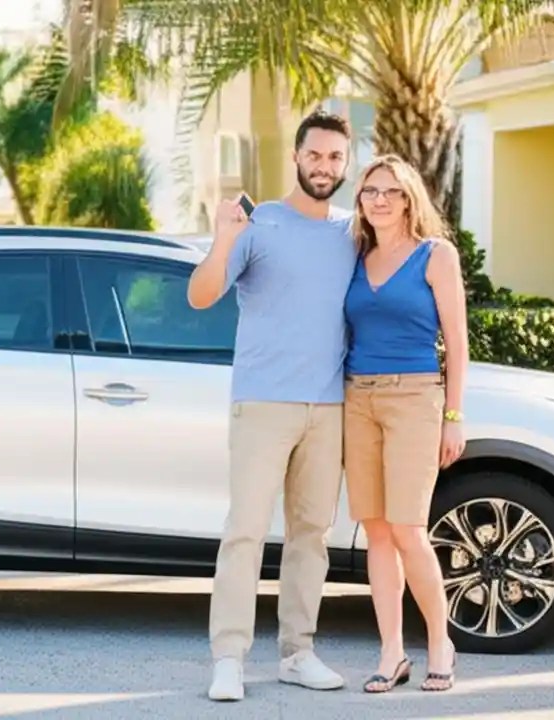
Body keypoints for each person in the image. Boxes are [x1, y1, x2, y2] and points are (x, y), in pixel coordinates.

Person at [187, 110, 358, 702]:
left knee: (311, 535)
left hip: (329, 408)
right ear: (296, 156)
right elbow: (201, 294)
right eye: (315, 155)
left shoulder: (352, 232)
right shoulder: (259, 226)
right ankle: (228, 658)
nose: (324, 166)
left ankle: (297, 652)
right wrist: (222, 240)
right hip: (262, 403)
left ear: (346, 163)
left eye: (336, 157)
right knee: (246, 533)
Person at [341, 154, 468, 693]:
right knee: (375, 531)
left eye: (392, 191)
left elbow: (458, 343)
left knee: (409, 530)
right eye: (371, 190)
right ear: (361, 199)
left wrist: (453, 416)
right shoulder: (354, 254)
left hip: (416, 397)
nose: (380, 199)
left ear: (410, 198)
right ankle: (392, 651)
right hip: (357, 398)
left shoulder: (434, 255)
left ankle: (440, 641)